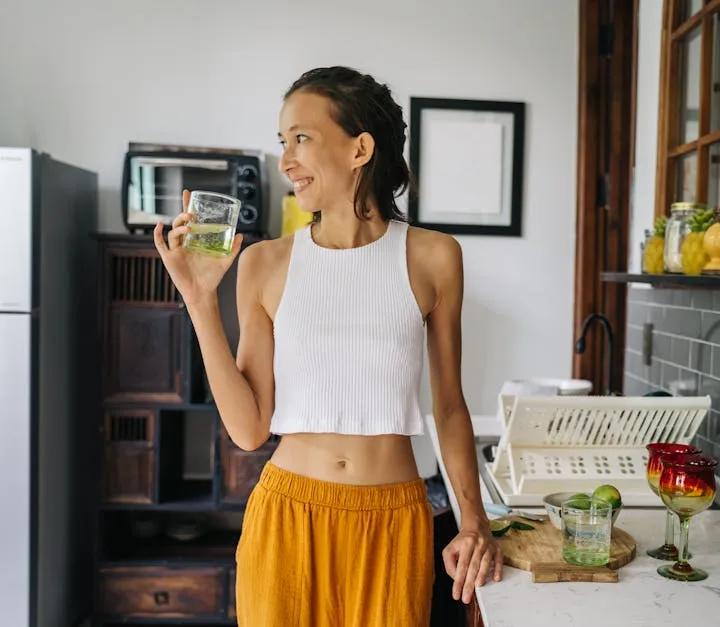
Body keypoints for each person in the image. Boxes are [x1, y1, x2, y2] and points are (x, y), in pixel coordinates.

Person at [153, 66, 502, 627]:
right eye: (282, 142)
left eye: (301, 138)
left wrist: (473, 520)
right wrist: (198, 301)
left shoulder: (435, 257)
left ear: (360, 147)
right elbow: (248, 430)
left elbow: (451, 407)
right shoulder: (263, 263)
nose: (286, 159)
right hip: (288, 519)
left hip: (393, 522)